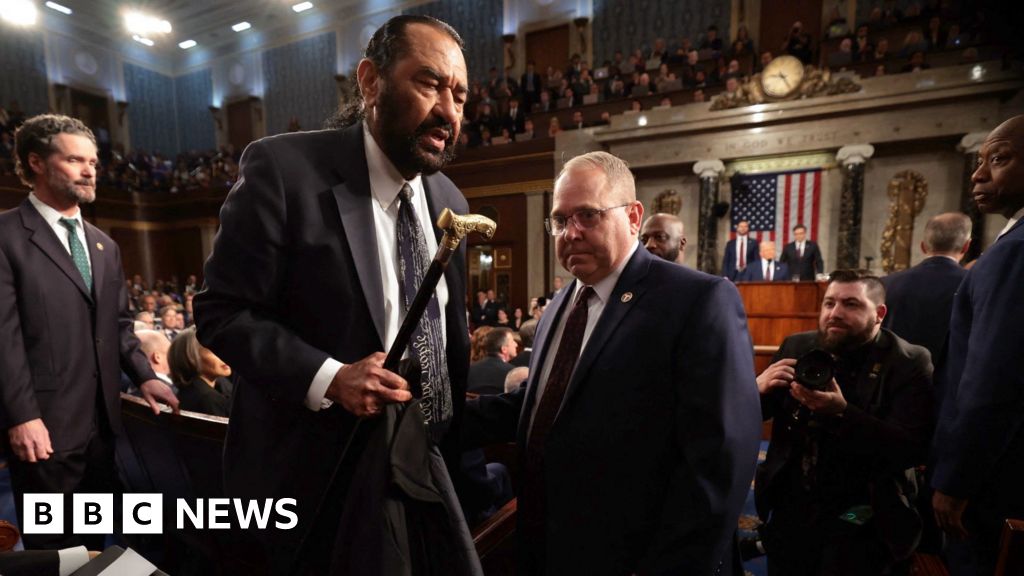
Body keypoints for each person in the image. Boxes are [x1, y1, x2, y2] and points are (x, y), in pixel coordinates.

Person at [194, 15, 477, 575]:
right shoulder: (283, 168)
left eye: (460, 96)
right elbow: (221, 312)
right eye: (429, 84)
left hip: (420, 465)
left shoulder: (452, 200)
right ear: (370, 81)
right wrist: (331, 377)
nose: (448, 111)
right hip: (315, 475)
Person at [464, 151, 761, 574]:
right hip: (549, 545)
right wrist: (428, 418)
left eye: (588, 215)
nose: (571, 232)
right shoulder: (560, 304)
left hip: (636, 558)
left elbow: (720, 460)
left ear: (633, 216)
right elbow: (539, 407)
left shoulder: (696, 299)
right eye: (560, 219)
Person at [0, 114, 178, 550]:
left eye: (93, 162)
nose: (89, 171)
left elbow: (117, 325)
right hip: (44, 428)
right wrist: (22, 417)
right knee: (56, 550)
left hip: (103, 428)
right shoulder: (5, 235)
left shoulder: (105, 244)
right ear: (36, 162)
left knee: (95, 545)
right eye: (74, 160)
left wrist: (145, 375)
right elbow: (3, 338)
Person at [754, 269, 934, 575]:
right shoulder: (797, 347)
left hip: (864, 511)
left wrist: (842, 412)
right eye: (829, 303)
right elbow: (758, 413)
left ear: (879, 314)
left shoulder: (908, 361)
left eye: (851, 304)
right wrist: (754, 389)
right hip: (792, 502)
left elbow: (910, 448)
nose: (835, 313)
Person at [931, 115, 1024, 575]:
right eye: (980, 160)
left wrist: (955, 480)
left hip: (992, 482)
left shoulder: (1014, 251)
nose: (978, 174)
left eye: (998, 159)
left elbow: (993, 380)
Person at [882, 212, 970, 362]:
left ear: (923, 246)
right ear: (966, 246)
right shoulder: (973, 284)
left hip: (894, 372)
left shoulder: (886, 283)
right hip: (949, 374)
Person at [167, 327, 233, 417]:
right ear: (191, 357)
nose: (225, 355)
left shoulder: (191, 391)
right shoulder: (208, 399)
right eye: (214, 351)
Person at [467, 327, 517, 395]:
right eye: (513, 341)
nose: (516, 344)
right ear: (504, 349)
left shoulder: (469, 369)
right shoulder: (513, 373)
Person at [135, 328, 178, 395]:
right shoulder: (175, 393)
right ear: (157, 357)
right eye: (170, 352)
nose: (173, 357)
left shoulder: (128, 385)